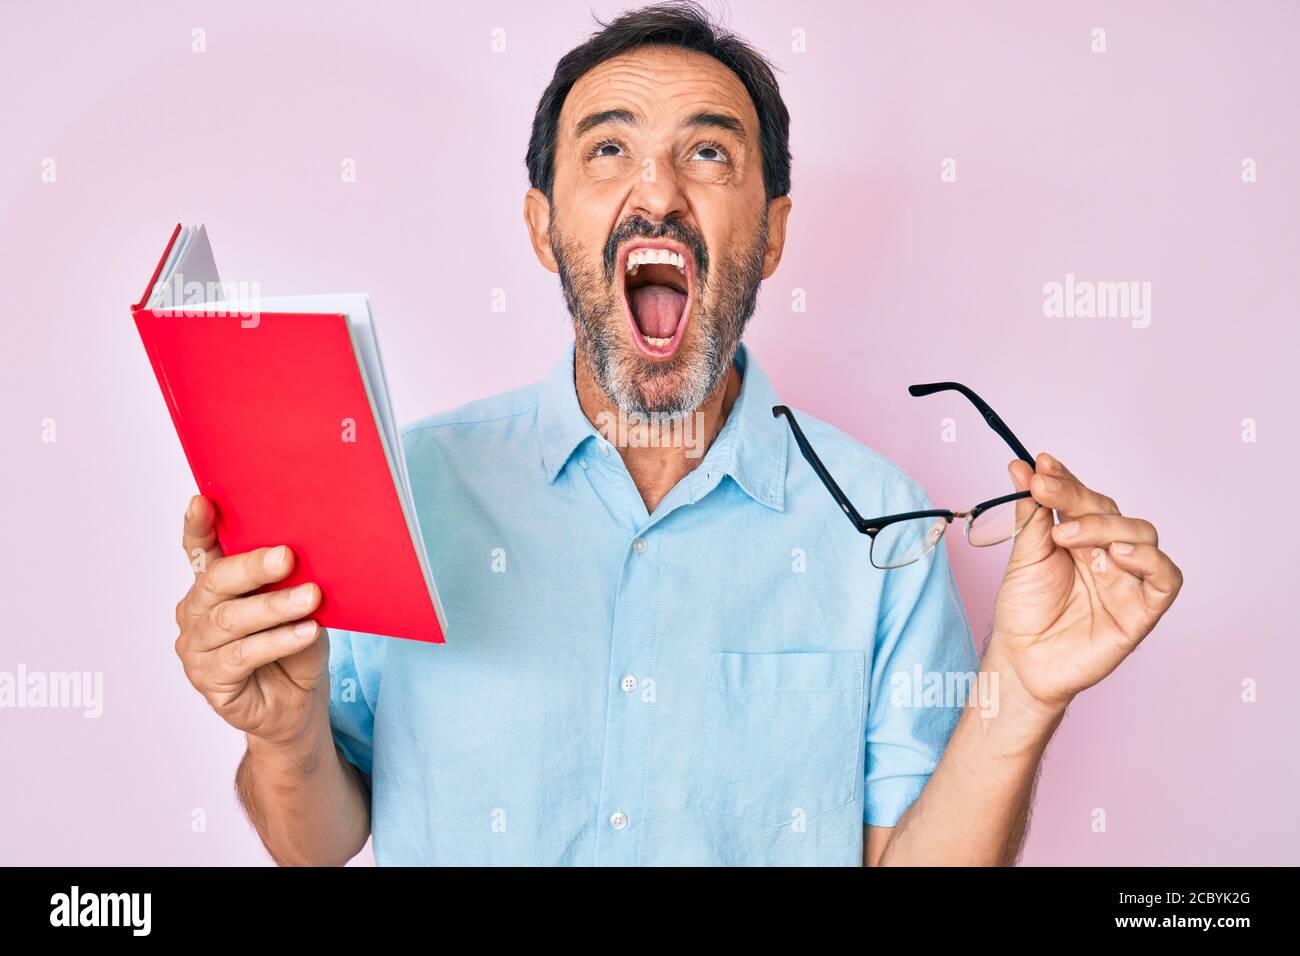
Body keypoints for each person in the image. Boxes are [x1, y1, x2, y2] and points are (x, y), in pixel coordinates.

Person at [171, 2, 1181, 866]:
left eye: (708, 152)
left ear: (773, 229)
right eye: (607, 149)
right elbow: (319, 838)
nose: (656, 191)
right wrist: (283, 735)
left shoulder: (885, 531)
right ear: (540, 223)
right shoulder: (404, 489)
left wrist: (1023, 687)